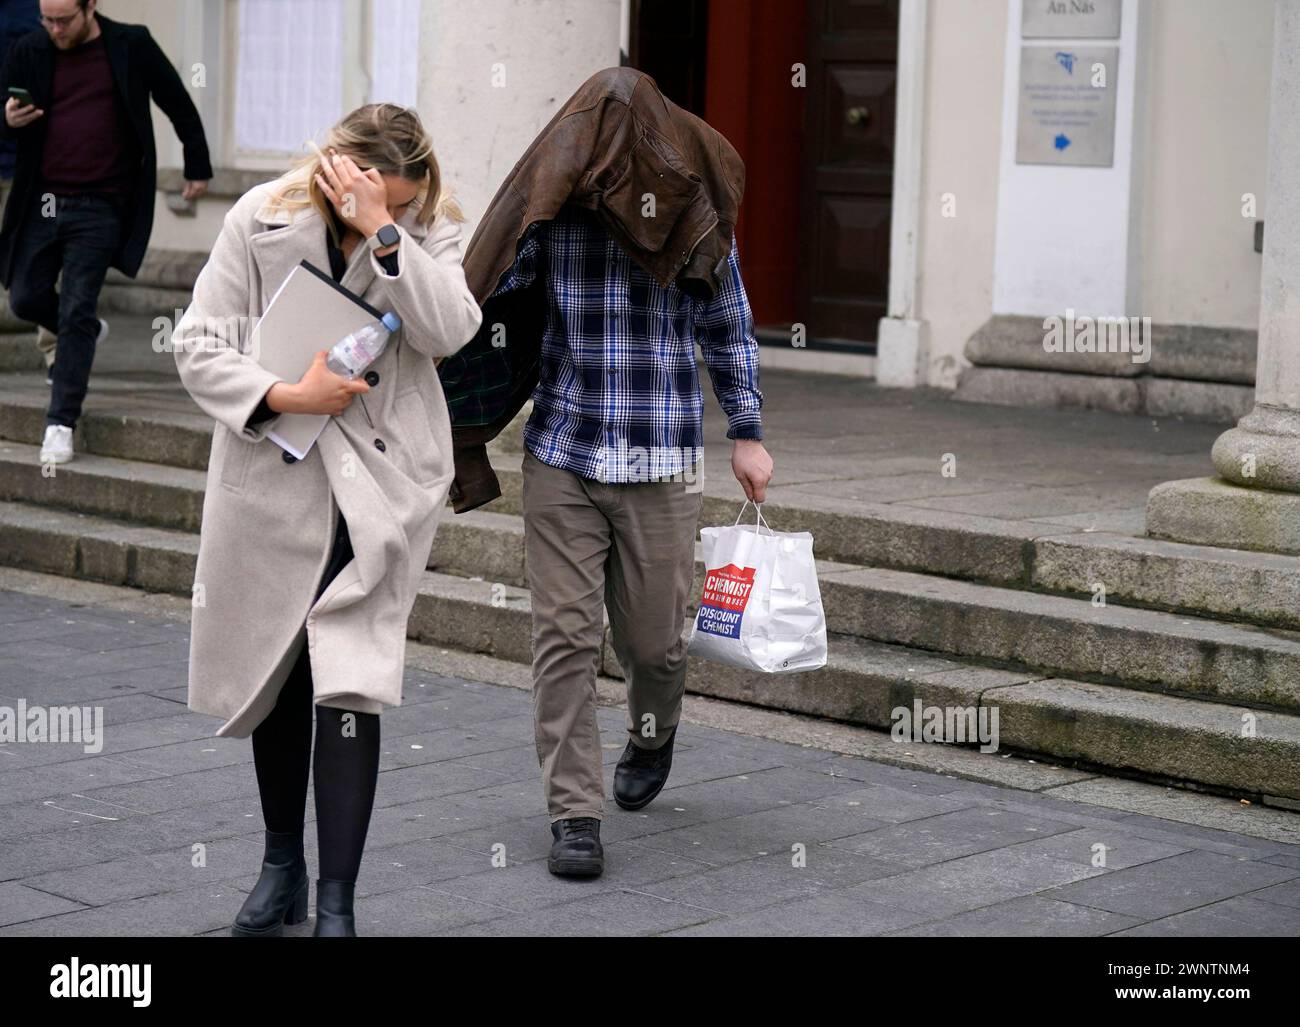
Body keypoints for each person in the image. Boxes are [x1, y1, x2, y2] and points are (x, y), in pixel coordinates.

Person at [439, 68, 774, 879]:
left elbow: (728, 324)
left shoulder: (694, 213)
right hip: (564, 454)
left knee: (655, 646)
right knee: (564, 638)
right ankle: (574, 814)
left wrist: (748, 431)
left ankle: (652, 735)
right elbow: (486, 298)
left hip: (663, 463)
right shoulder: (554, 210)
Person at [171, 103, 481, 936]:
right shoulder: (260, 217)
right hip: (275, 469)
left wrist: (387, 234)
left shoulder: (428, 229)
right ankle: (282, 867)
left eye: (405, 201)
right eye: (378, 198)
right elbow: (197, 343)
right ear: (338, 170)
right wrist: (284, 394)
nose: (399, 210)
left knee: (349, 679)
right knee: (278, 673)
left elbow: (452, 328)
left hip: (377, 483)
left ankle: (336, 904)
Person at [0, 0, 212, 463]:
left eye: (64, 20)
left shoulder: (130, 44)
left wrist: (197, 162)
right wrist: (7, 119)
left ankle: (60, 422)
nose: (55, 29)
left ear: (91, 6)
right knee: (25, 298)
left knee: (76, 307)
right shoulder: (30, 49)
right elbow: (5, 109)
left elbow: (176, 99)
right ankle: (87, 332)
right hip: (43, 200)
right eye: (47, 19)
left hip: (102, 203)